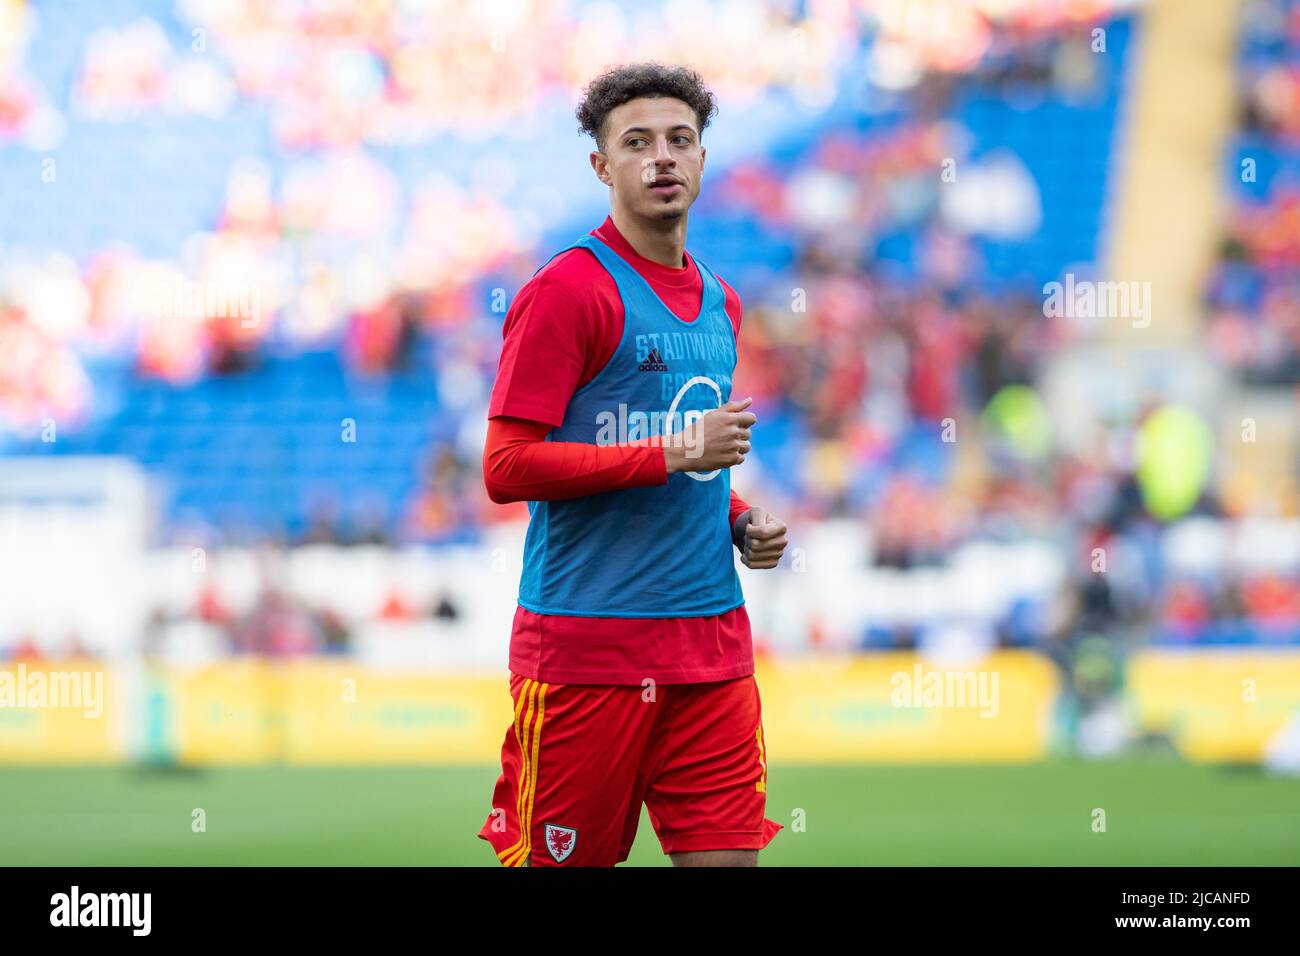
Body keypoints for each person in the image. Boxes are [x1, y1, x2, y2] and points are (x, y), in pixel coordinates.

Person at [474, 63, 790, 867]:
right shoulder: (567, 291)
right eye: (637, 142)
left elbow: (686, 462)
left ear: (703, 159)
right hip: (589, 655)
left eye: (680, 140)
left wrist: (737, 518)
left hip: (711, 650)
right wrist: (676, 451)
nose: (662, 158)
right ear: (601, 166)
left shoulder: (721, 300)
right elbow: (508, 467)